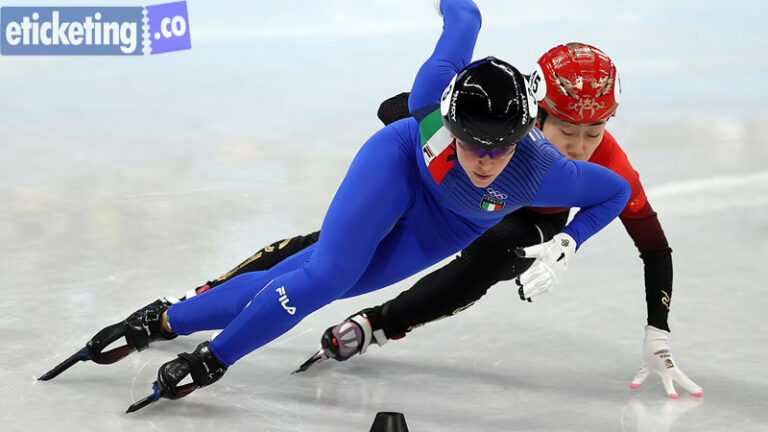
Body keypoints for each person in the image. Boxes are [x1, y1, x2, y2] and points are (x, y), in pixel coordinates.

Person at [42, 0, 630, 407]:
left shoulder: (541, 173)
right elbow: (464, 17)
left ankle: (161, 320)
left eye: (500, 146)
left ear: (523, 136)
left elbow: (615, 193)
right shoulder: (428, 103)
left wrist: (568, 242)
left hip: (446, 221)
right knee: (326, 272)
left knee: (333, 285)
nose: (484, 158)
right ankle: (211, 360)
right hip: (396, 166)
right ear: (447, 120)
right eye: (470, 140)